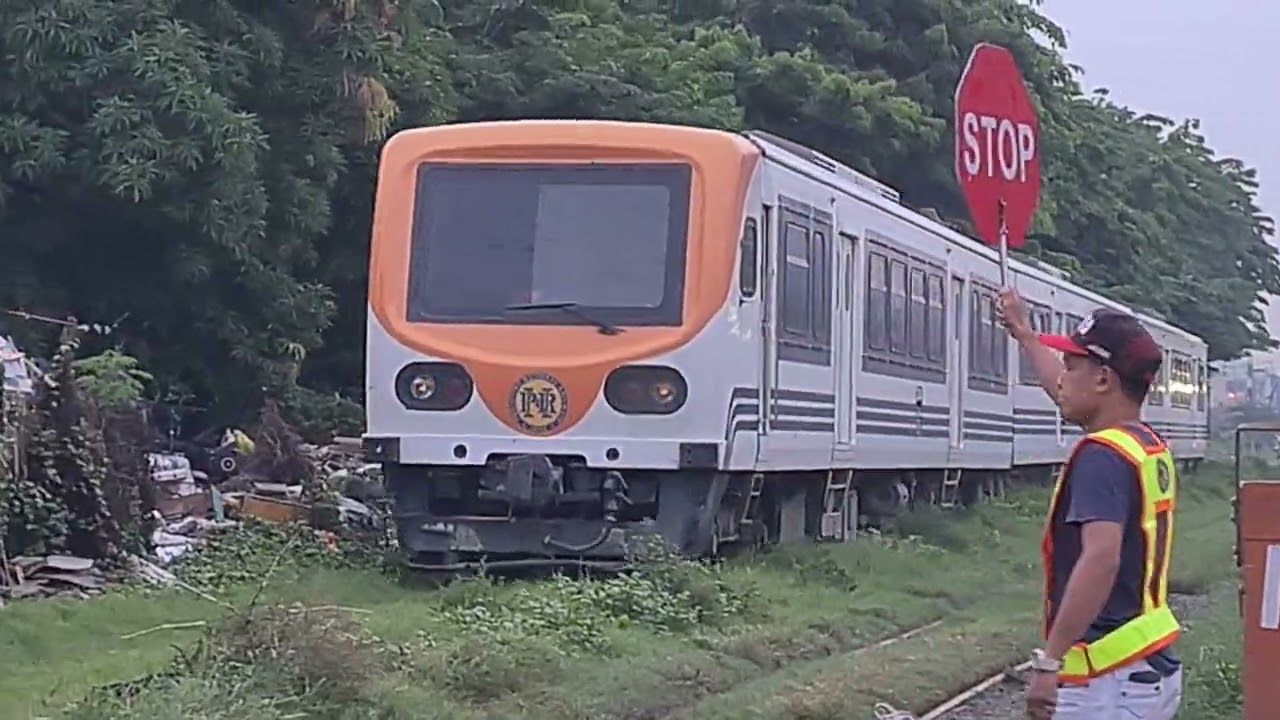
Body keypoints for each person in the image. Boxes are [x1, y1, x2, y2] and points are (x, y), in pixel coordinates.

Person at [997, 288, 1183, 720]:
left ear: (1102, 380)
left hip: (1106, 681)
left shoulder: (1101, 457)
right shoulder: (1145, 444)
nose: (1060, 378)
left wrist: (1050, 661)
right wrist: (1026, 337)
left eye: (1071, 366)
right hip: (1146, 663)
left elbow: (1101, 560)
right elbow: (1066, 395)